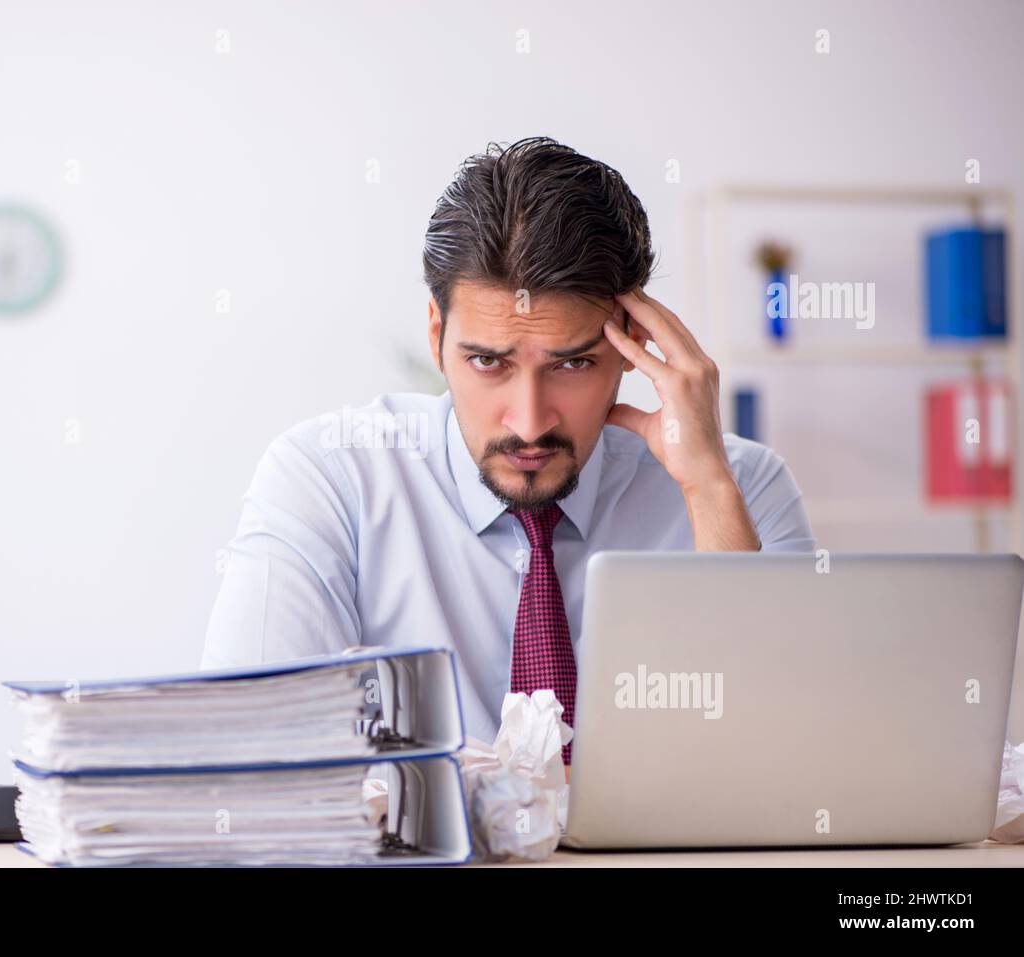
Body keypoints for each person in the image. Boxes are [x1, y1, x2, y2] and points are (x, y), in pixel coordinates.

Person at [202, 137, 814, 760]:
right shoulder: (330, 477)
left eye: (573, 363)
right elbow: (252, 753)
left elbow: (786, 758)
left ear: (634, 344)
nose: (528, 423)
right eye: (488, 361)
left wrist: (707, 489)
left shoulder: (740, 487)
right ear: (438, 335)